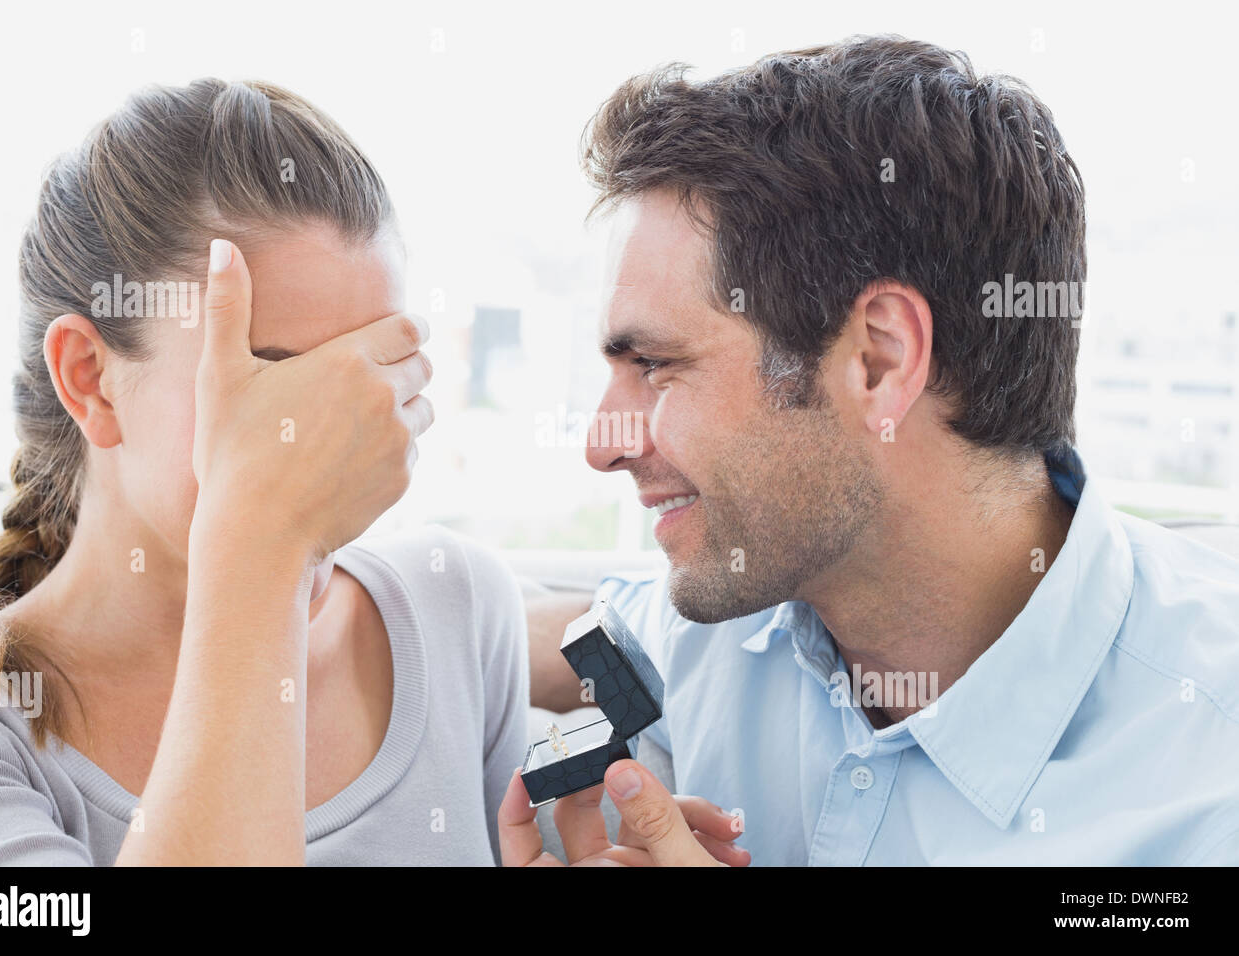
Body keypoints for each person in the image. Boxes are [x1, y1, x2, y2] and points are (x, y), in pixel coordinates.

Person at [507, 35, 1239, 865]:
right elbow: (551, 633)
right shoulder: (733, 623)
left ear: (880, 361)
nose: (602, 450)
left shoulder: (1210, 781)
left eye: (656, 365)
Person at [0, 79, 529, 865]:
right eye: (275, 383)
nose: (336, 447)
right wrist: (262, 542)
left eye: (366, 386)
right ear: (89, 376)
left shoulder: (459, 606)